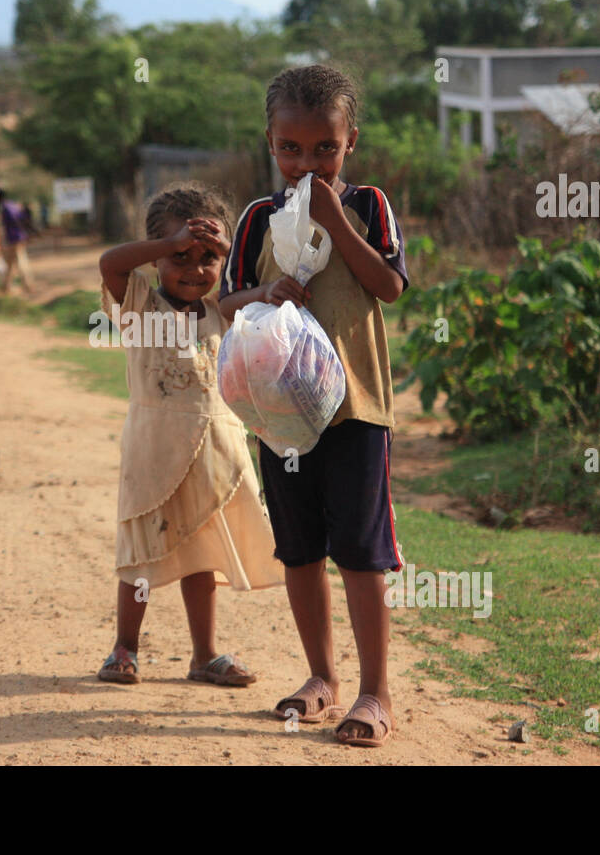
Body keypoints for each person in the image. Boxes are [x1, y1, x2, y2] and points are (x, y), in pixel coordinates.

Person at [218, 64, 409, 747]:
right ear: (271, 142)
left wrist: (334, 218)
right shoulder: (257, 219)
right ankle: (322, 677)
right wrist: (263, 294)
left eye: (324, 148)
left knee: (361, 550)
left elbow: (388, 284)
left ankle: (376, 691)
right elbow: (225, 303)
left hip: (355, 409)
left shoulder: (369, 206)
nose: (307, 162)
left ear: (349, 141)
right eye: (291, 149)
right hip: (281, 415)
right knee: (300, 548)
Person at [96, 183, 282, 686]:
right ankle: (124, 649)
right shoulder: (138, 305)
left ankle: (204, 656)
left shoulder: (223, 309)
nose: (194, 268)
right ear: (157, 258)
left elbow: (266, 288)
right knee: (141, 555)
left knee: (204, 558)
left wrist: (232, 252)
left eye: (207, 258)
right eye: (180, 256)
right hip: (153, 453)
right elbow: (112, 263)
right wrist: (167, 242)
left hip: (216, 454)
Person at [0, 191, 37, 295]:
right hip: (18, 236)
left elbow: (15, 220)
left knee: (20, 261)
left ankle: (28, 285)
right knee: (10, 263)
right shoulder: (12, 204)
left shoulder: (6, 208)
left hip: (14, 238)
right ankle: (5, 286)